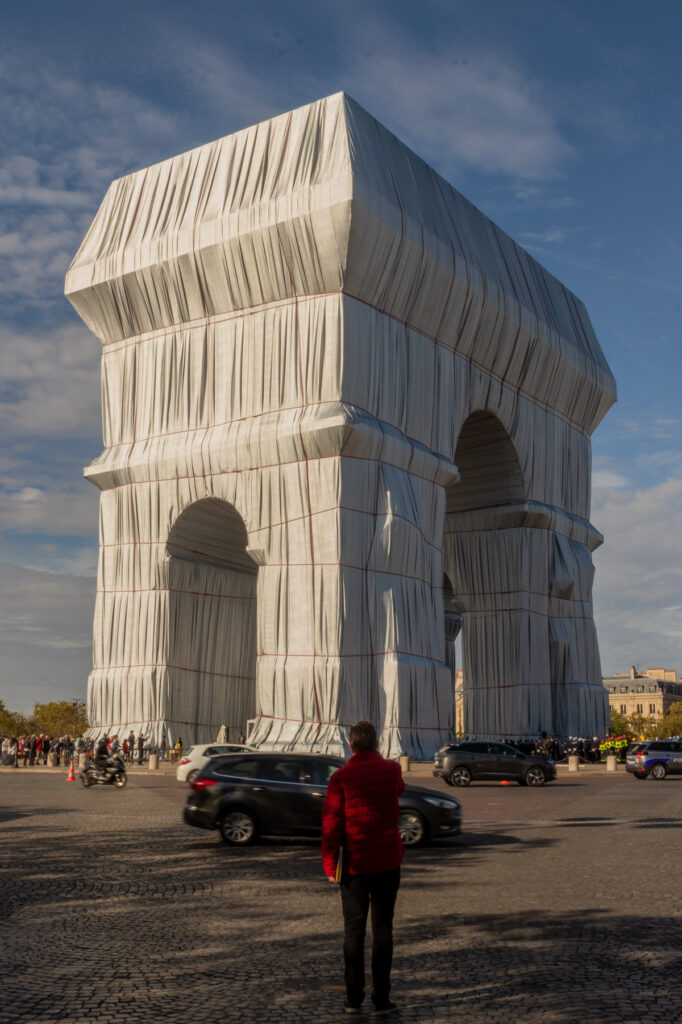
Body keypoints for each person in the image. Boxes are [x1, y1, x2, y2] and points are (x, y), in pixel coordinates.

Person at [321, 721, 404, 1016]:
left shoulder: (340, 778)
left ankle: (353, 1000)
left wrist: (330, 865)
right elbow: (399, 789)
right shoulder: (393, 770)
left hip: (354, 865)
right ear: (376, 744)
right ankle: (382, 999)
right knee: (383, 932)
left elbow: (331, 826)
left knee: (353, 933)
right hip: (387, 862)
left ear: (351, 746)